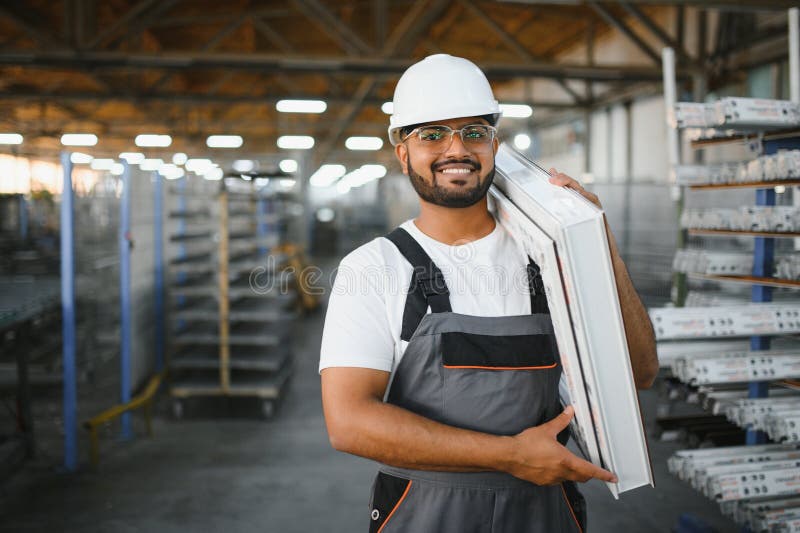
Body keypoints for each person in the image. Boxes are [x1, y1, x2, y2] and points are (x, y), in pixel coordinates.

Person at [319, 54, 658, 533]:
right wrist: (510, 457)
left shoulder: (550, 255)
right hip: (427, 515)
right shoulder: (374, 267)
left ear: (494, 144)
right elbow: (348, 422)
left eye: (473, 132)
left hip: (544, 514)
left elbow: (640, 372)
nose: (456, 148)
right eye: (432, 134)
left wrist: (602, 249)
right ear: (403, 153)